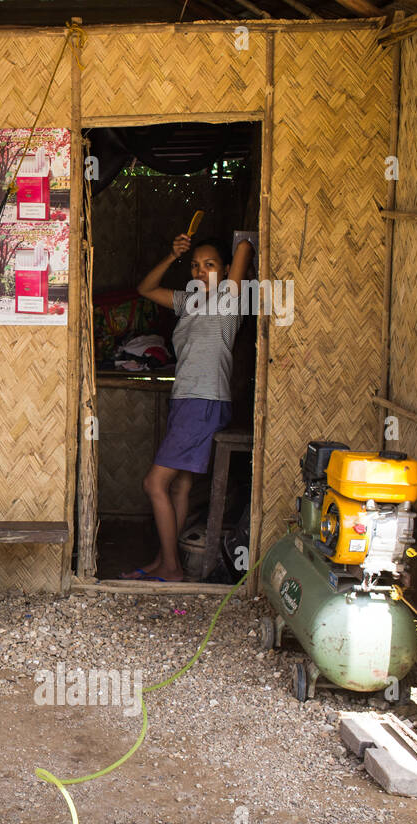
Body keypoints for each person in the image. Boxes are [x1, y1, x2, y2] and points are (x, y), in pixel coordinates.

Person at [122, 232, 254, 582]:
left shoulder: (229, 300)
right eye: (195, 266)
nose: (200, 271)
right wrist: (172, 254)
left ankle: (172, 568)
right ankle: (164, 559)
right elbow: (145, 289)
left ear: (225, 272)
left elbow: (243, 246)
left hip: (204, 402)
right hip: (187, 400)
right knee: (179, 487)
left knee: (154, 484)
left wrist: (240, 245)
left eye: (209, 265)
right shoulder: (188, 302)